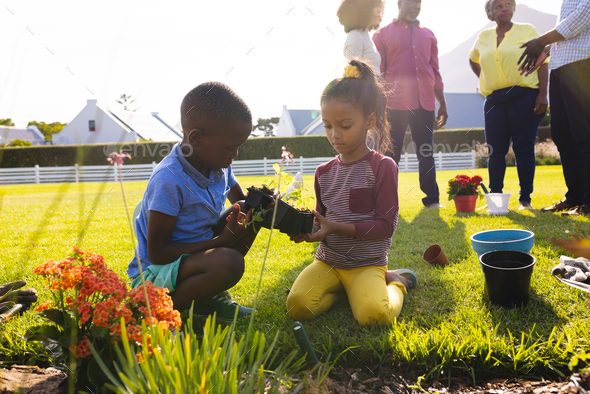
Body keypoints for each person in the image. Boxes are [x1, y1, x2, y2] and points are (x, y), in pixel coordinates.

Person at [286, 60, 417, 326]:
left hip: (367, 264)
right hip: (328, 263)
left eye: (345, 126)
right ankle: (348, 292)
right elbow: (321, 219)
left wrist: (334, 227)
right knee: (298, 307)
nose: (335, 135)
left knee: (375, 316)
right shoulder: (323, 172)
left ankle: (398, 283)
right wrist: (307, 230)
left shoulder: (382, 166)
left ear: (369, 120)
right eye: (327, 126)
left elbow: (385, 227)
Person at [127, 82, 258, 318]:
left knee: (251, 210)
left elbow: (242, 202)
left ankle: (206, 298)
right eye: (231, 148)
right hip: (155, 272)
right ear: (197, 138)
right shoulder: (170, 179)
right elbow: (158, 253)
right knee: (229, 263)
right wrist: (221, 240)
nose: (235, 155)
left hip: (193, 261)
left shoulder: (218, 166)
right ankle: (159, 312)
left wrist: (265, 203)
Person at [469, 0, 548, 210]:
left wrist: (542, 94)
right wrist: (484, 79)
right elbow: (473, 59)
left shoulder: (527, 31)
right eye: (498, 6)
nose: (504, 8)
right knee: (496, 150)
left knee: (522, 147)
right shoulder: (483, 38)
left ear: (513, 9)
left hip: (524, 95)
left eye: (508, 4)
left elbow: (543, 60)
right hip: (495, 99)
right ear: (489, 13)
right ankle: (495, 201)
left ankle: (525, 200)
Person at [372, 0, 448, 208]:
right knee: (390, 155)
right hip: (393, 105)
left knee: (426, 152)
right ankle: (385, 202)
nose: (415, 5)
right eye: (410, 1)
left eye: (418, 2)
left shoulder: (429, 35)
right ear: (399, 3)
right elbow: (378, 72)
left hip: (424, 103)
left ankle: (432, 199)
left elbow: (435, 70)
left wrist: (442, 102)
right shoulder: (382, 34)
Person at [518, 0, 590, 216]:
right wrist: (548, 49)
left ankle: (588, 203)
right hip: (561, 67)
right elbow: (571, 33)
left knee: (583, 135)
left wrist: (541, 40)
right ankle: (575, 197)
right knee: (563, 135)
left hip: (581, 65)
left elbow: (579, 20)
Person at [338, 0, 384, 73]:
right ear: (362, 9)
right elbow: (352, 76)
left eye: (379, 6)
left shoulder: (365, 36)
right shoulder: (355, 36)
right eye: (374, 6)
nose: (379, 10)